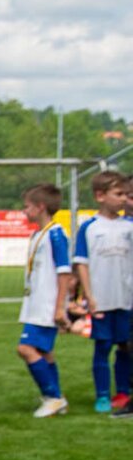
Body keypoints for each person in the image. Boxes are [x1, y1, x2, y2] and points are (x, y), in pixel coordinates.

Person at [72, 171, 133, 415]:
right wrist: (89, 296)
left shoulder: (129, 226)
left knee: (126, 346)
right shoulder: (89, 228)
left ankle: (123, 392)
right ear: (100, 196)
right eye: (118, 194)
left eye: (126, 194)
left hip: (126, 299)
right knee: (103, 346)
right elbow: (82, 264)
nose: (124, 199)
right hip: (101, 300)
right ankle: (102, 395)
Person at [14, 183, 73, 417]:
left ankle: (53, 396)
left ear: (40, 207)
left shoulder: (56, 234)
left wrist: (59, 308)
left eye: (27, 207)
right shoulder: (38, 234)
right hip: (36, 304)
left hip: (47, 306)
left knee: (25, 348)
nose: (24, 211)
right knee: (44, 351)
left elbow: (64, 272)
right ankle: (57, 399)